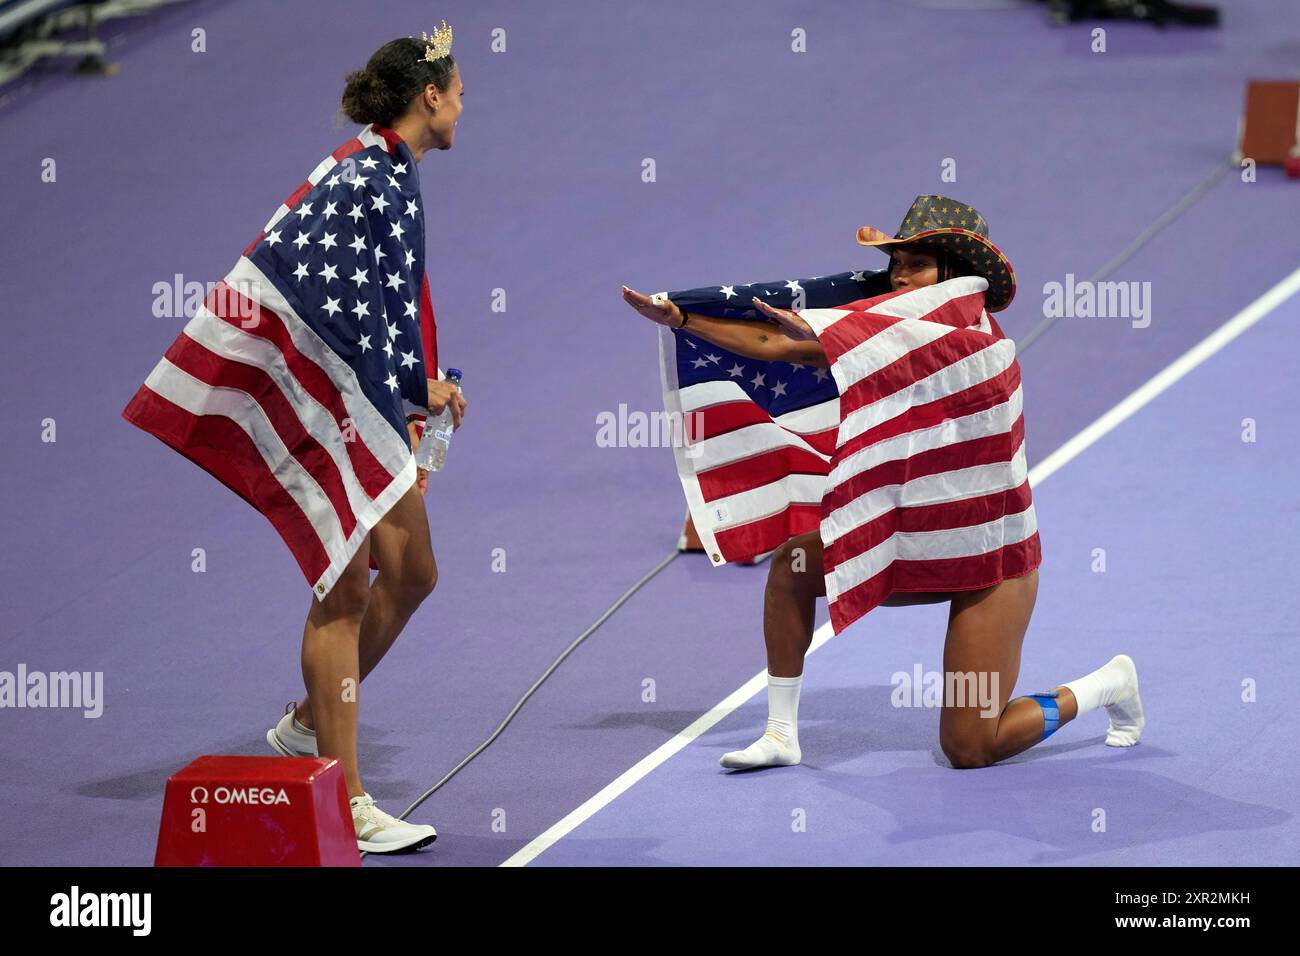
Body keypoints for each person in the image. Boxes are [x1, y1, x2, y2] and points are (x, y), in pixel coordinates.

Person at [621, 195, 1144, 771]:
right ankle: (780, 733)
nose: (899, 275)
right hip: (914, 541)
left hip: (991, 563)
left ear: (954, 273)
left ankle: (1105, 686)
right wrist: (684, 319)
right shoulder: (888, 333)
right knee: (794, 567)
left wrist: (818, 332)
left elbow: (796, 345)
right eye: (896, 263)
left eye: (916, 264)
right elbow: (781, 346)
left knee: (971, 747)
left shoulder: (976, 346)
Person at [122, 25, 467, 851]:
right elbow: (316, 302)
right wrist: (395, 387)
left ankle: (309, 726)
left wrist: (418, 383)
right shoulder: (361, 180)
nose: (462, 107)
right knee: (344, 590)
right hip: (319, 398)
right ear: (429, 97)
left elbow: (381, 303)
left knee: (412, 571)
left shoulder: (392, 172)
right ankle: (345, 802)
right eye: (457, 92)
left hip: (360, 390)